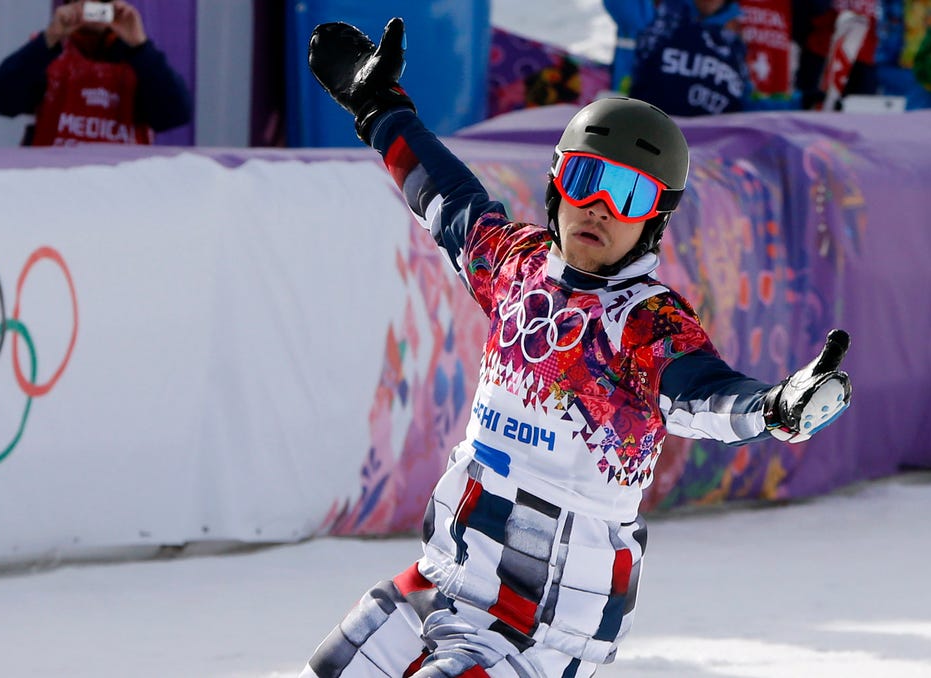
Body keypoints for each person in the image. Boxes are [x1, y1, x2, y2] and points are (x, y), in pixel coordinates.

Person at [300, 17, 853, 677]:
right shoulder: (516, 265)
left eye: (626, 194)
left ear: (654, 220)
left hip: (539, 624)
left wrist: (775, 405)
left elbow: (703, 390)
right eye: (585, 177)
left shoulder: (645, 326)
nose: (596, 206)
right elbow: (446, 199)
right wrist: (380, 109)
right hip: (444, 579)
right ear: (559, 180)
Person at [0, 0, 191, 146]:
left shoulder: (139, 59)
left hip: (124, 190)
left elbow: (175, 115)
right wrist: (49, 39)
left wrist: (140, 46)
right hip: (53, 187)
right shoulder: (48, 53)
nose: (94, 6)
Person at [627, 0, 756, 115]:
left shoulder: (735, 43)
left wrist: (774, 112)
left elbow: (743, 105)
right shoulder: (658, 14)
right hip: (651, 132)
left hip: (711, 139)